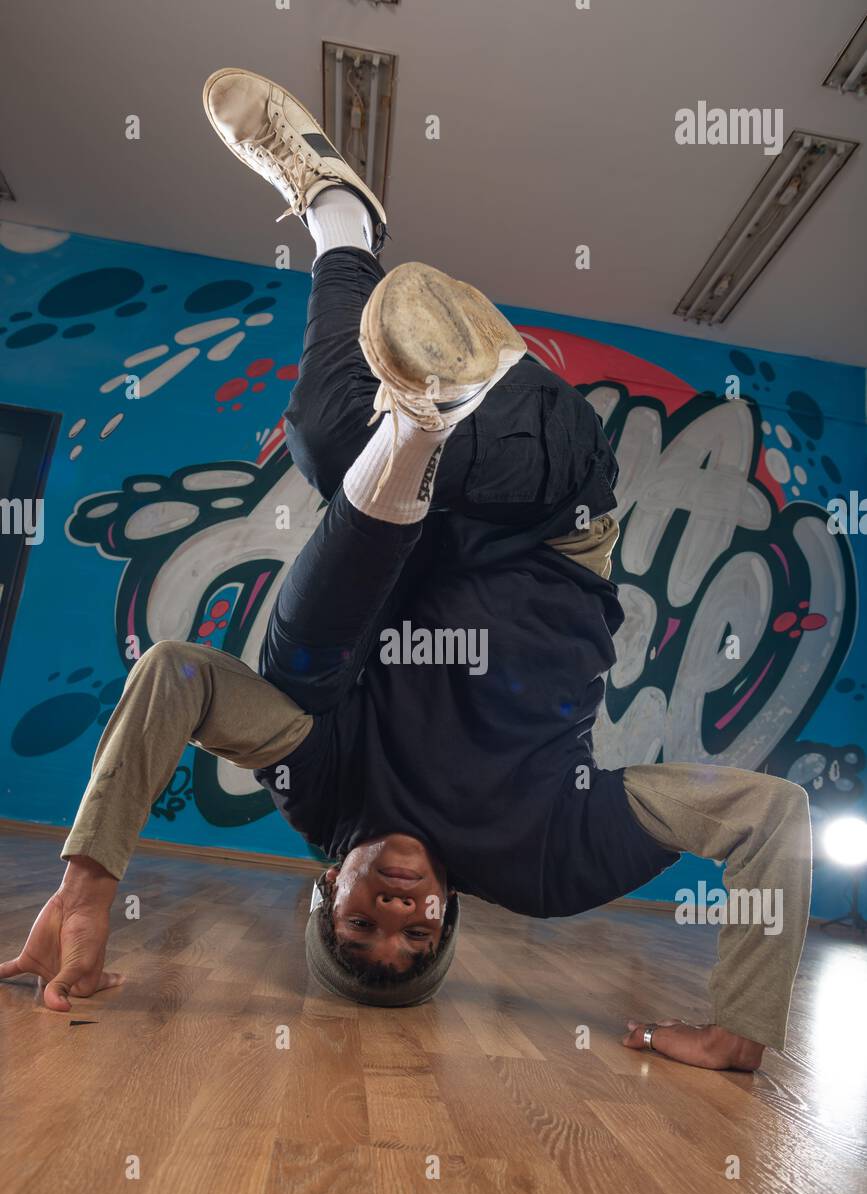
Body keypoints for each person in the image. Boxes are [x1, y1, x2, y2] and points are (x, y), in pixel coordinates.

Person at [0, 69, 813, 1072]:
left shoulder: (316, 788)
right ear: (451, 916)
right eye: (418, 936)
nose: (394, 918)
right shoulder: (547, 861)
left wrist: (86, 881)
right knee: (338, 449)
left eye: (361, 931)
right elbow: (772, 814)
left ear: (324, 892)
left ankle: (357, 256)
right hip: (546, 509)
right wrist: (742, 1027)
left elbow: (177, 674)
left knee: (325, 440)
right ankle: (429, 408)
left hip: (413, 502)